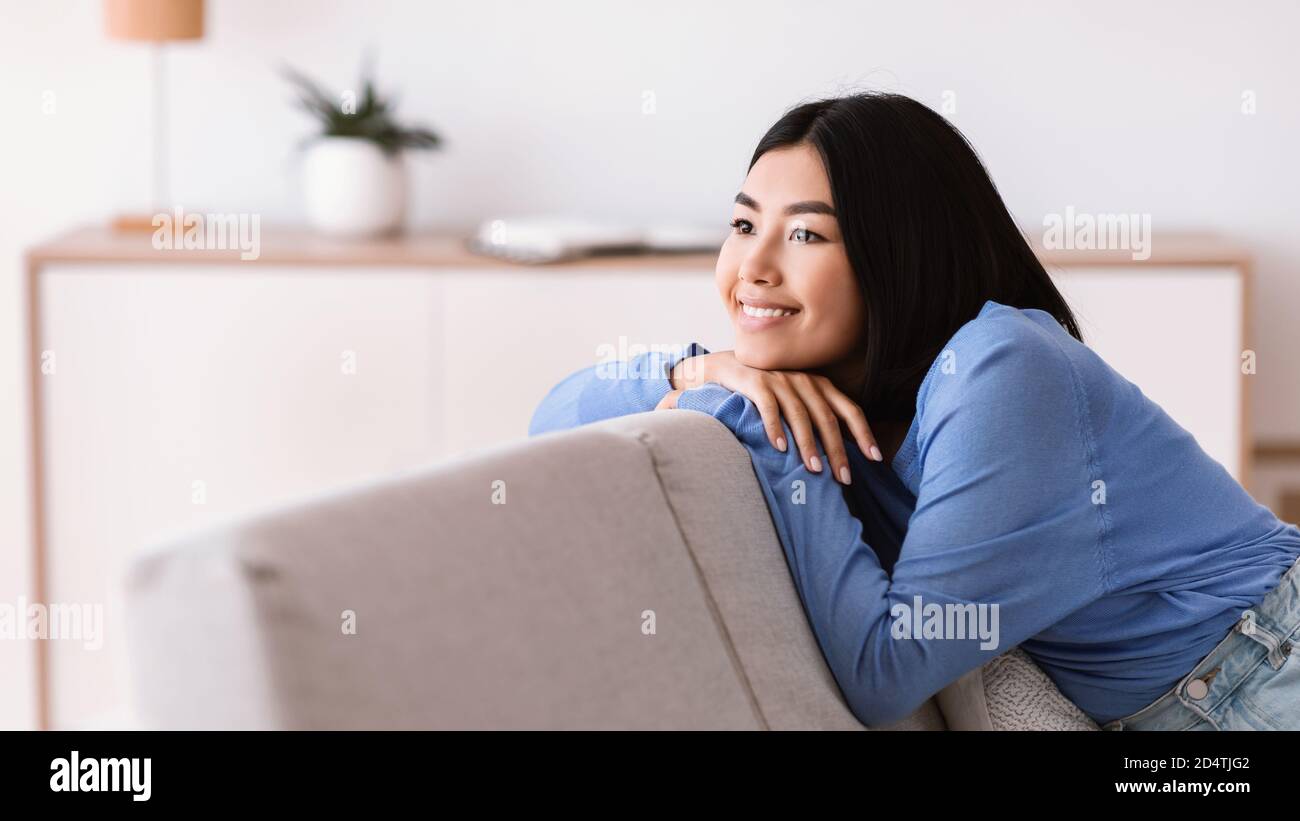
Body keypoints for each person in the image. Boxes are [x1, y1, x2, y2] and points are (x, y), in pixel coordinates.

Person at [528, 92, 1300, 730]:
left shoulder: (1001, 367)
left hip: (1263, 677)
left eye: (804, 233)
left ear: (897, 252)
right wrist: (700, 369)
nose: (752, 268)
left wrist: (756, 425)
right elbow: (555, 419)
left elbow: (886, 669)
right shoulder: (816, 381)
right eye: (742, 225)